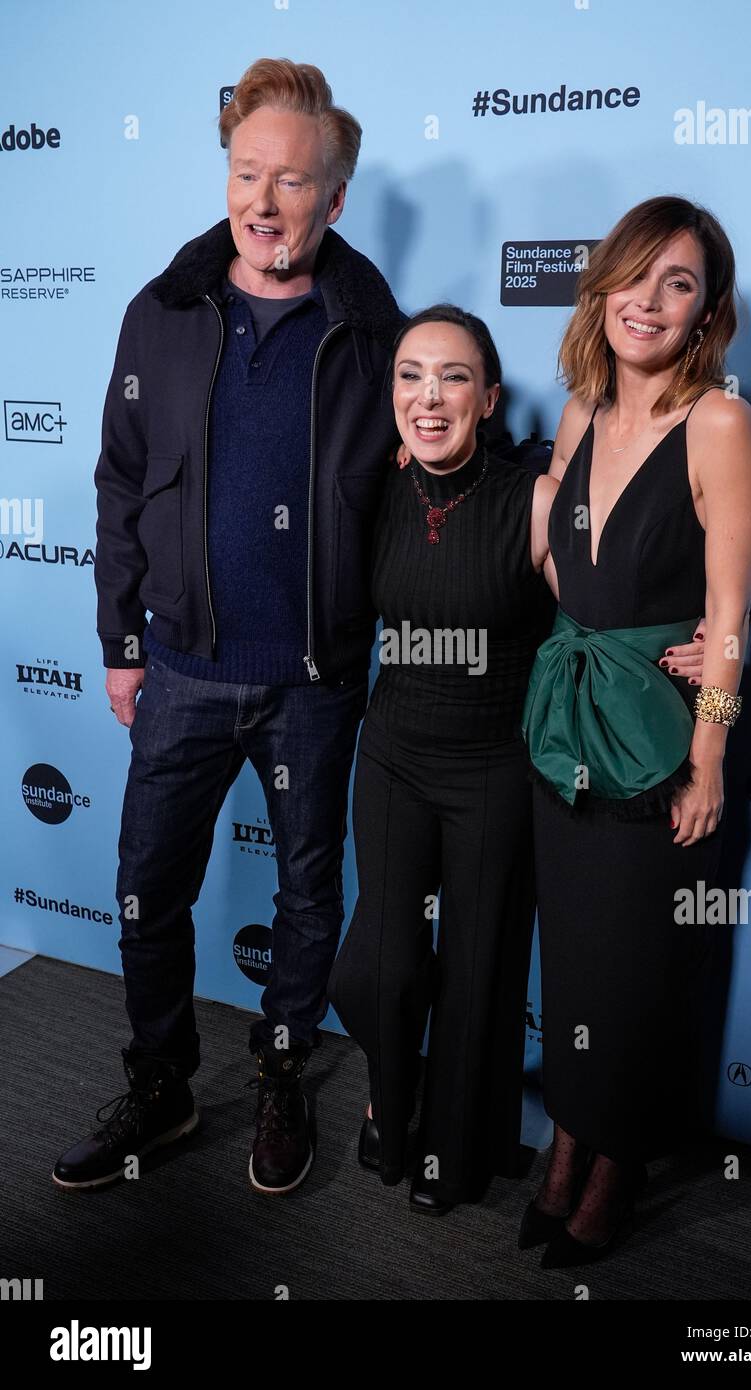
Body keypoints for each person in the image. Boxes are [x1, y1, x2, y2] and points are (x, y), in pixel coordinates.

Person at [53, 58, 403, 1194]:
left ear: (333, 200)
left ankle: (282, 1075)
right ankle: (159, 1087)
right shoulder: (160, 313)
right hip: (184, 668)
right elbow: (117, 481)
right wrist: (119, 640)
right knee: (148, 883)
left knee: (309, 892)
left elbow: (431, 462)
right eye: (246, 173)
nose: (263, 199)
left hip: (313, 678)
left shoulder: (370, 326)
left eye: (291, 181)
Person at [326, 305, 707, 1213]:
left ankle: (456, 1156)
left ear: (488, 397)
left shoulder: (531, 500)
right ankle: (391, 1086)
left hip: (496, 765)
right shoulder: (374, 488)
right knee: (376, 966)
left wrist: (700, 640)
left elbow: (603, 607)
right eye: (411, 375)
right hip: (390, 754)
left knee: (479, 971)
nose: (429, 396)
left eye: (453, 376)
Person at [519, 195, 751, 1266]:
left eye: (680, 284)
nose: (650, 301)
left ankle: (611, 1164)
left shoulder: (718, 422)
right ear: (603, 286)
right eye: (636, 275)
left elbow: (731, 613)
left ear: (705, 312)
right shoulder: (577, 413)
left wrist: (706, 754)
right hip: (563, 727)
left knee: (633, 970)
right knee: (572, 967)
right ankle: (566, 1143)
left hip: (658, 747)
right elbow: (560, 572)